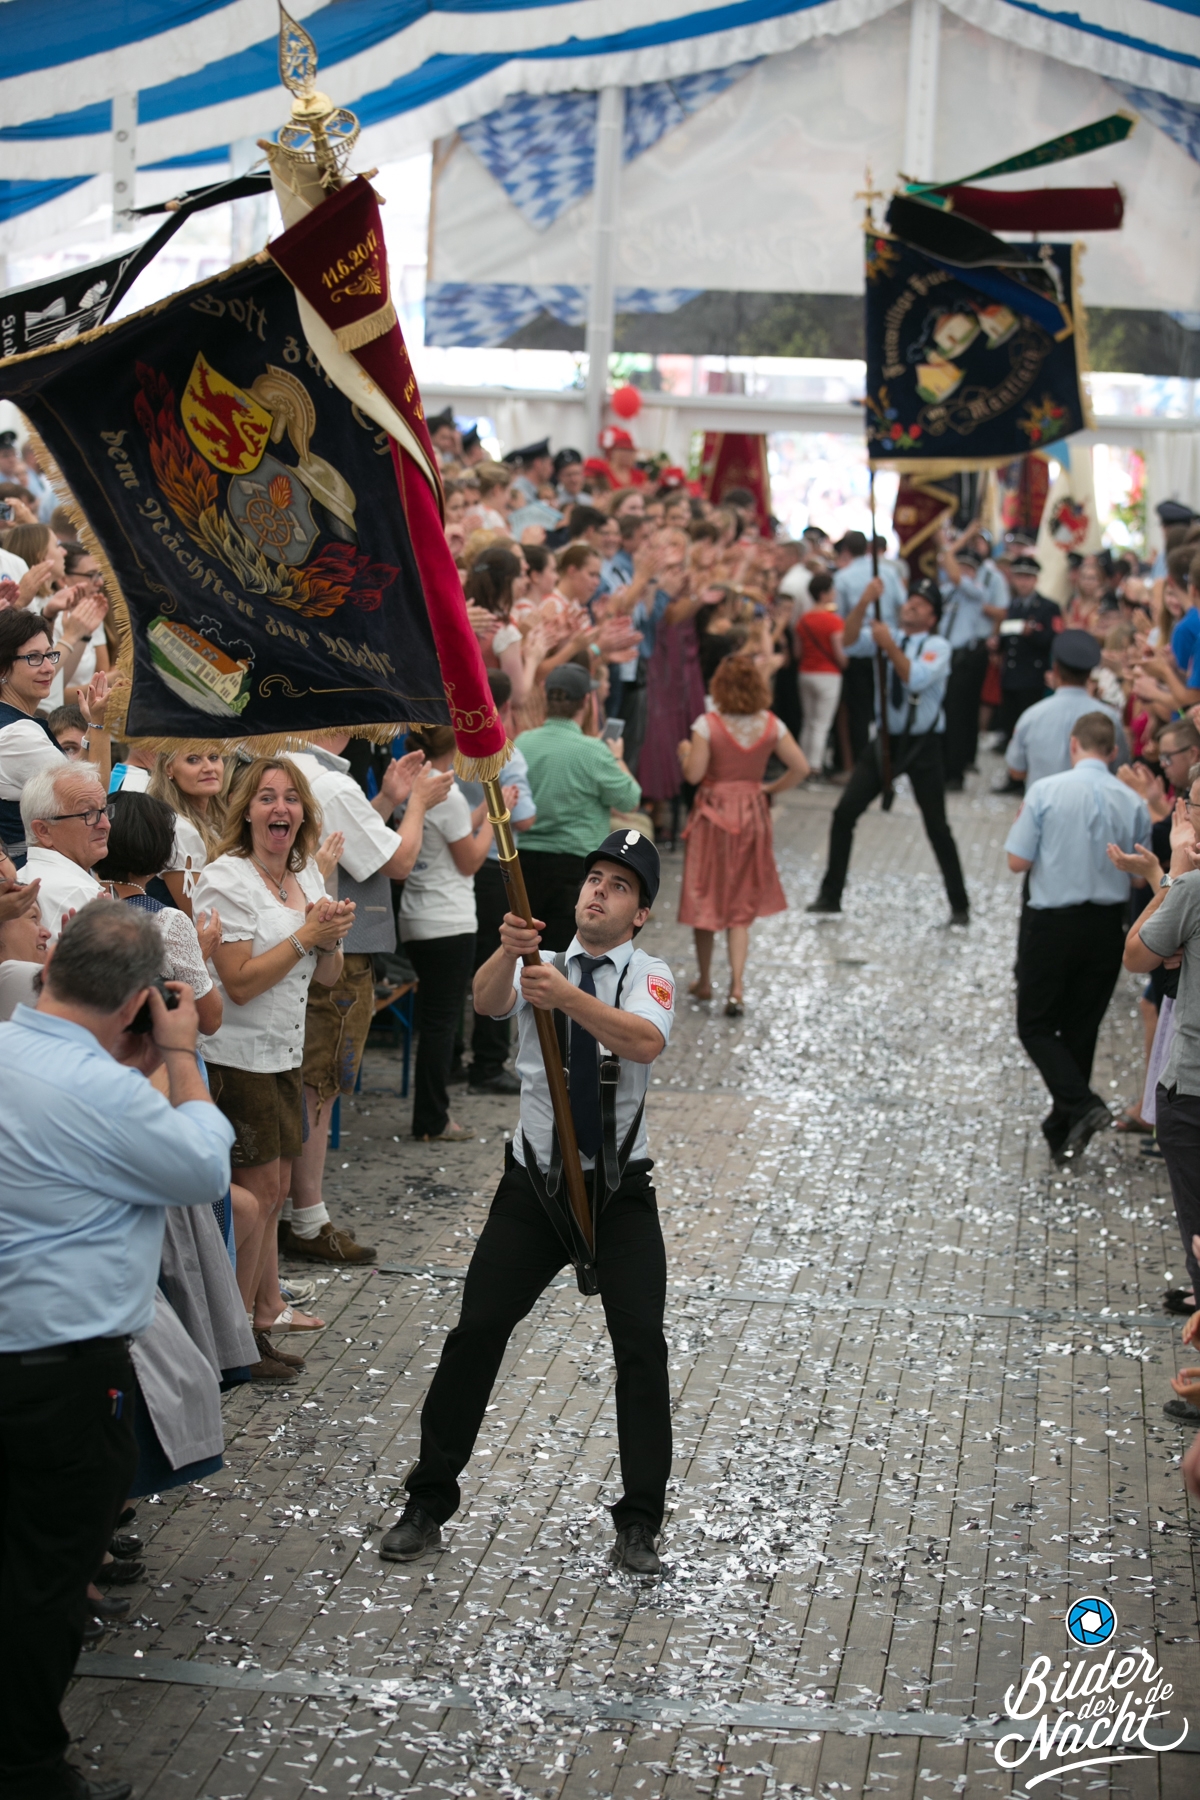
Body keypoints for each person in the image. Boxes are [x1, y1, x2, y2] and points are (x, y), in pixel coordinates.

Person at [380, 830, 675, 1576]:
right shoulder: (536, 959)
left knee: (641, 1345)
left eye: (619, 886)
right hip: (534, 1188)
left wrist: (570, 999)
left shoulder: (648, 972)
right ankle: (427, 1501)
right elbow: (486, 1003)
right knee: (476, 1328)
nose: (599, 892)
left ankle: (639, 1521)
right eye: (595, 879)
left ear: (640, 913)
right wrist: (509, 952)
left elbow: (643, 1043)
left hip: (618, 1193)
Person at [0, 900, 234, 1800]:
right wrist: (177, 1056)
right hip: (63, 1375)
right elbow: (203, 1164)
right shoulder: (104, 1093)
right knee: (47, 1583)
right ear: (141, 999)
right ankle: (25, 1766)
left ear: (51, 961)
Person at [191, 758, 354, 1377]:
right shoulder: (226, 879)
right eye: (265, 797)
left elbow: (328, 978)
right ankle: (230, 1341)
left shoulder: (305, 873)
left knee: (278, 1191)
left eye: (289, 798)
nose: (278, 808)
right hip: (239, 1058)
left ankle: (261, 1315)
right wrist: (308, 936)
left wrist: (331, 938)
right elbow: (235, 984)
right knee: (255, 1195)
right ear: (247, 812)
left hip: (287, 1053)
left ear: (303, 815)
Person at [286, 732, 455, 1197]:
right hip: (335, 949)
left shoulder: (293, 764)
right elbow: (398, 861)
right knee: (318, 1084)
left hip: (310, 942)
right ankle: (308, 1215)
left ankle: (301, 1212)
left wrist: (386, 799)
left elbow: (354, 847)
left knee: (308, 1081)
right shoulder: (331, 784)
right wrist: (417, 804)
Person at [1005, 711, 1151, 1166]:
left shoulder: (1046, 790)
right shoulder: (1132, 802)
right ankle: (1063, 1128)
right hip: (1106, 925)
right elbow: (1137, 879)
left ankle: (1082, 1106)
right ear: (1113, 753)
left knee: (1034, 1023)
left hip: (1052, 923)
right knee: (1081, 1027)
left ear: (1073, 745)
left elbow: (1016, 861)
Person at [807, 578, 970, 924]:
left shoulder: (938, 646)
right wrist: (865, 602)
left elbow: (915, 678)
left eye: (922, 604)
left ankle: (960, 905)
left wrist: (888, 645)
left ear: (932, 617)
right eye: (910, 599)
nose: (912, 605)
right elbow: (849, 643)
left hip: (924, 744)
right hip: (885, 740)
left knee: (936, 825)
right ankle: (830, 894)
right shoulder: (887, 634)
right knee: (844, 813)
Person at [1121, 777, 1200, 1419]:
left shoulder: (1194, 888)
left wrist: (1172, 870)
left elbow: (1139, 954)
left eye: (1190, 806)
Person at [677, 654, 809, 1013]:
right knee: (740, 904)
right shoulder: (771, 724)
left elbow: (693, 775)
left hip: (713, 814)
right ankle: (736, 986)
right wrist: (769, 787)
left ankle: (705, 980)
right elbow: (801, 766)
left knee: (704, 895)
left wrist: (686, 752)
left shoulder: (707, 725)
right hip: (752, 813)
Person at [399, 726, 500, 1143]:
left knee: (434, 1021)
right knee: (442, 1024)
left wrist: (478, 818)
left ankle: (431, 1112)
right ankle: (432, 1118)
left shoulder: (414, 788)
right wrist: (496, 820)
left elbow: (447, 836)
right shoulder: (450, 794)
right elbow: (470, 860)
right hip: (449, 920)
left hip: (417, 917)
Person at [513, 663, 642, 950]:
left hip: (524, 863)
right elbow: (630, 799)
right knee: (563, 954)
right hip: (574, 866)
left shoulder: (523, 742)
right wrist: (617, 756)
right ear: (585, 701)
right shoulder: (593, 751)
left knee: (526, 950)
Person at [455, 673, 537, 1094]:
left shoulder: (451, 744)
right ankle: (488, 1062)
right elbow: (523, 818)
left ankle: (453, 1058)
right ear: (504, 708)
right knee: (500, 963)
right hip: (492, 866)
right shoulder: (507, 756)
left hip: (453, 865)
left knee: (461, 964)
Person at [93, 791, 223, 1039]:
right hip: (146, 1056)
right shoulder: (167, 922)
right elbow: (210, 1020)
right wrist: (200, 953)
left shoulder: (84, 898)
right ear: (161, 852)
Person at [1004, 630, 1129, 791]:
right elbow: (1120, 769)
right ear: (1090, 673)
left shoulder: (1032, 716)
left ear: (1055, 670)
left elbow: (1016, 771)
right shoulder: (1109, 717)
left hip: (1044, 805)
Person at [0, 610, 68, 862]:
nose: (49, 667)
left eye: (50, 655)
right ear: (2, 669)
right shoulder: (17, 736)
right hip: (27, 877)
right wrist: (98, 726)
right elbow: (88, 803)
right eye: (33, 658)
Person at [833, 533, 904, 763]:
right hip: (880, 643)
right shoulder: (890, 573)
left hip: (873, 642)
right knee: (881, 703)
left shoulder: (844, 577)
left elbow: (839, 618)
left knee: (860, 711)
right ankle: (876, 759)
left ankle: (867, 758)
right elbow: (901, 606)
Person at [18, 762, 108, 935]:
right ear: (43, 831)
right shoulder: (76, 892)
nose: (105, 824)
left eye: (103, 809)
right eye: (87, 814)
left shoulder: (23, 877)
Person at [994, 551, 1062, 769]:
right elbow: (1007, 638)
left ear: (1035, 579)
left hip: (1032, 676)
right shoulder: (1013, 606)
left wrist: (1032, 634)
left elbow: (1053, 639)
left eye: (1027, 577)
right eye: (1019, 577)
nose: (1023, 582)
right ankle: (1013, 772)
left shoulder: (1048, 607)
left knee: (1032, 728)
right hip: (1011, 674)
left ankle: (1030, 770)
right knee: (1011, 727)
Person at [937, 540, 991, 792]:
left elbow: (954, 572)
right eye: (961, 566)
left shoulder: (975, 590)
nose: (963, 571)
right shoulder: (948, 590)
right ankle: (942, 765)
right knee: (943, 713)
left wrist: (946, 541)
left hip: (963, 658)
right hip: (944, 655)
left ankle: (955, 771)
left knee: (958, 716)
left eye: (970, 568)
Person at [149, 744, 227, 914]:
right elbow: (200, 916)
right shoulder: (178, 829)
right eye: (193, 760)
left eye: (214, 757)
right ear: (169, 768)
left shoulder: (212, 823)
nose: (209, 768)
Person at [795, 570, 846, 775]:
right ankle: (814, 766)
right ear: (824, 593)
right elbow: (839, 653)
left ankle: (800, 762)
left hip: (806, 671)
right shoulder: (834, 621)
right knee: (822, 724)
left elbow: (799, 651)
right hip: (828, 674)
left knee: (808, 721)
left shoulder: (803, 620)